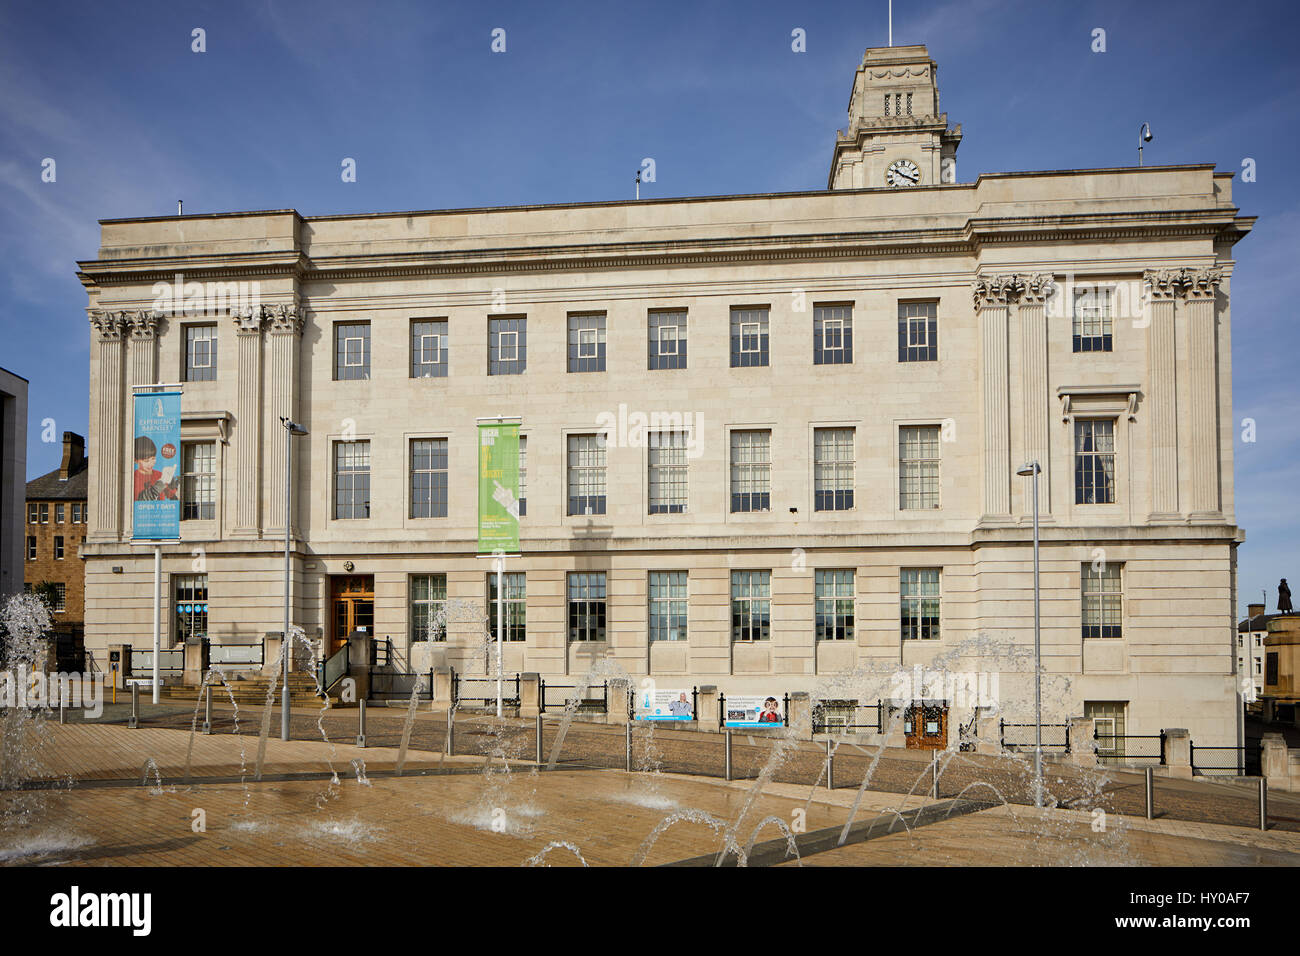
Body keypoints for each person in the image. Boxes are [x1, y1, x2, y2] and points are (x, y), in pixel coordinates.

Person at [133, 435, 178, 501]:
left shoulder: (160, 475)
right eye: (146, 461)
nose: (150, 463)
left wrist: (172, 483)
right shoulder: (133, 477)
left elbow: (172, 496)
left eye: (153, 458)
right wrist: (161, 483)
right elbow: (140, 499)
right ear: (136, 460)